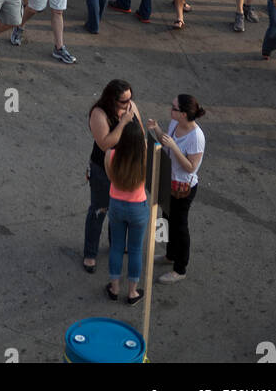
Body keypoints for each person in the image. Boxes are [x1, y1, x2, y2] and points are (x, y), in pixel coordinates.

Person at [147, 95, 206, 284]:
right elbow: (165, 143)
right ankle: (170, 254)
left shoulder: (196, 137)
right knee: (165, 219)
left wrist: (174, 147)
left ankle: (180, 269)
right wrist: (156, 129)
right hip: (168, 181)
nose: (170, 110)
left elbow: (191, 167)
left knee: (180, 227)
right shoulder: (174, 124)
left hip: (183, 188)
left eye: (173, 108)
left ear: (183, 114)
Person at [84, 79, 141, 273]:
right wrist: (124, 122)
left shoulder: (131, 106)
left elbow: (139, 132)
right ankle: (90, 253)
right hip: (103, 168)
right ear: (112, 99)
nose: (128, 104)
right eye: (123, 101)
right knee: (99, 209)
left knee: (118, 210)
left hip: (125, 168)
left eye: (130, 99)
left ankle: (115, 244)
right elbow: (106, 144)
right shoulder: (99, 114)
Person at [104, 119, 149, 303]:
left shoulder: (111, 155)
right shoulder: (145, 158)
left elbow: (110, 177)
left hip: (116, 204)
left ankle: (114, 287)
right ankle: (132, 292)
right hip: (138, 207)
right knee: (135, 250)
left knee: (116, 246)